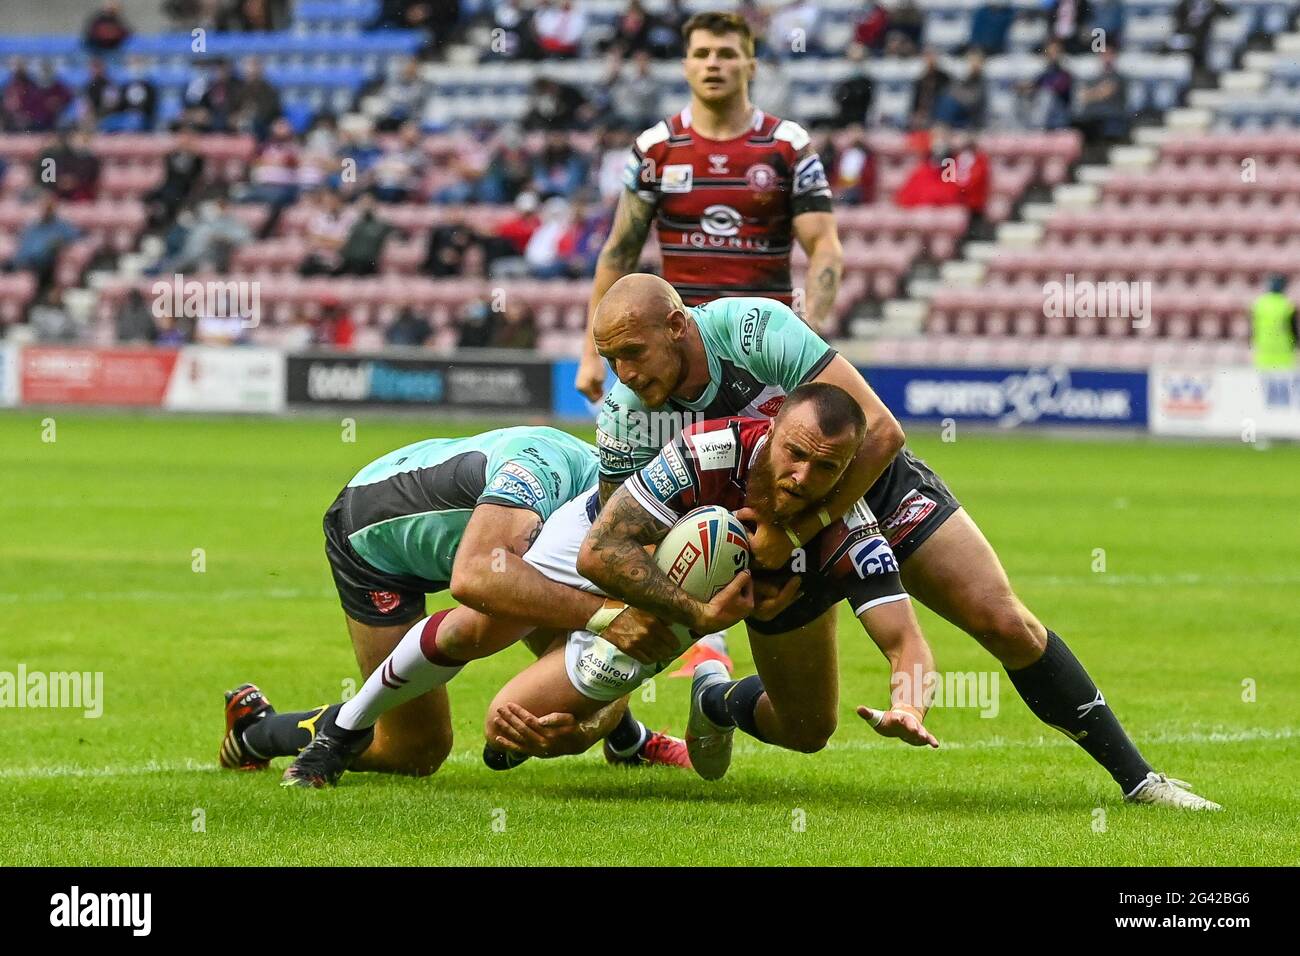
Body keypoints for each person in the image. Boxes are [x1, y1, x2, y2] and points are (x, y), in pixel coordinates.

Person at [570, 274, 1220, 809]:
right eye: (611, 359)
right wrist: (702, 597)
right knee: (805, 731)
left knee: (1003, 619)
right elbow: (620, 539)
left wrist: (795, 529)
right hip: (758, 539)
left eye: (633, 354)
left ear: (678, 327)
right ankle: (715, 697)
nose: (622, 375)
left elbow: (879, 431)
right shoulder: (628, 414)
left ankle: (1140, 780)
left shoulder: (752, 330)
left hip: (861, 483)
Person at [486, 387, 940, 775]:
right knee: (506, 729)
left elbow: (905, 641)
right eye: (796, 454)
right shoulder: (710, 451)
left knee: (808, 732)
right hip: (673, 585)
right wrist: (699, 613)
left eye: (826, 468)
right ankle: (614, 719)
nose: (803, 478)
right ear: (772, 427)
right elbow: (599, 551)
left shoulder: (850, 529)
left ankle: (714, 701)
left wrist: (908, 707)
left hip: (789, 593)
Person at [217, 427, 693, 786]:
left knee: (589, 642)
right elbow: (478, 581)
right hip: (374, 533)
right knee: (416, 750)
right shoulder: (543, 478)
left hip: (489, 543)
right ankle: (257, 731)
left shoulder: (623, 511)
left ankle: (627, 740)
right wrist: (602, 619)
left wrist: (582, 725)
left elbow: (603, 647)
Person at [575, 11, 843, 399]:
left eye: (726, 53)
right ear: (686, 67)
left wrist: (810, 326)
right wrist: (590, 355)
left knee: (773, 461)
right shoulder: (656, 149)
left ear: (750, 66)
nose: (713, 63)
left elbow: (824, 246)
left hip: (765, 350)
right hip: (679, 351)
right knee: (665, 461)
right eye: (702, 54)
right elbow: (619, 254)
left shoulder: (788, 146)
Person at [1251, 275, 1297, 370]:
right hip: (1284, 351)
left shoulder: (1259, 304)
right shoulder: (1288, 304)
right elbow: (1293, 329)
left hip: (1263, 350)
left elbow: (1252, 327)